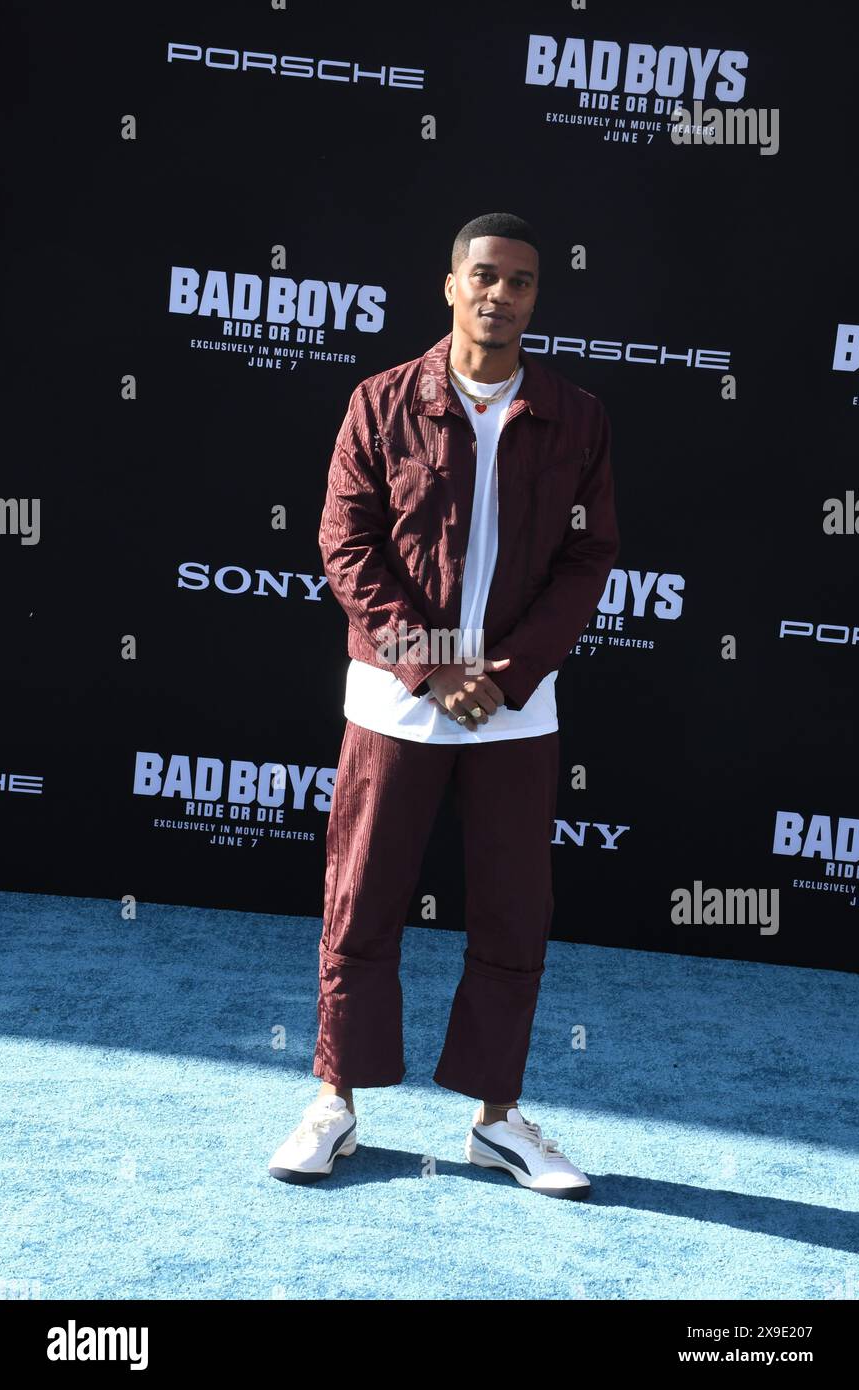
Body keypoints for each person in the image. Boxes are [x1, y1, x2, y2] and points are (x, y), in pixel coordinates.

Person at [268, 212, 620, 1197]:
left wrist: (500, 674)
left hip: (514, 707)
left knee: (512, 910)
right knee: (362, 898)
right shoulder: (380, 404)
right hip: (396, 698)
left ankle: (496, 1119)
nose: (499, 294)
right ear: (449, 285)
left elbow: (587, 556)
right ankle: (334, 1100)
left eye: (519, 281)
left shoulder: (576, 416)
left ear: (534, 298)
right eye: (484, 276)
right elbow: (348, 547)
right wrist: (432, 664)